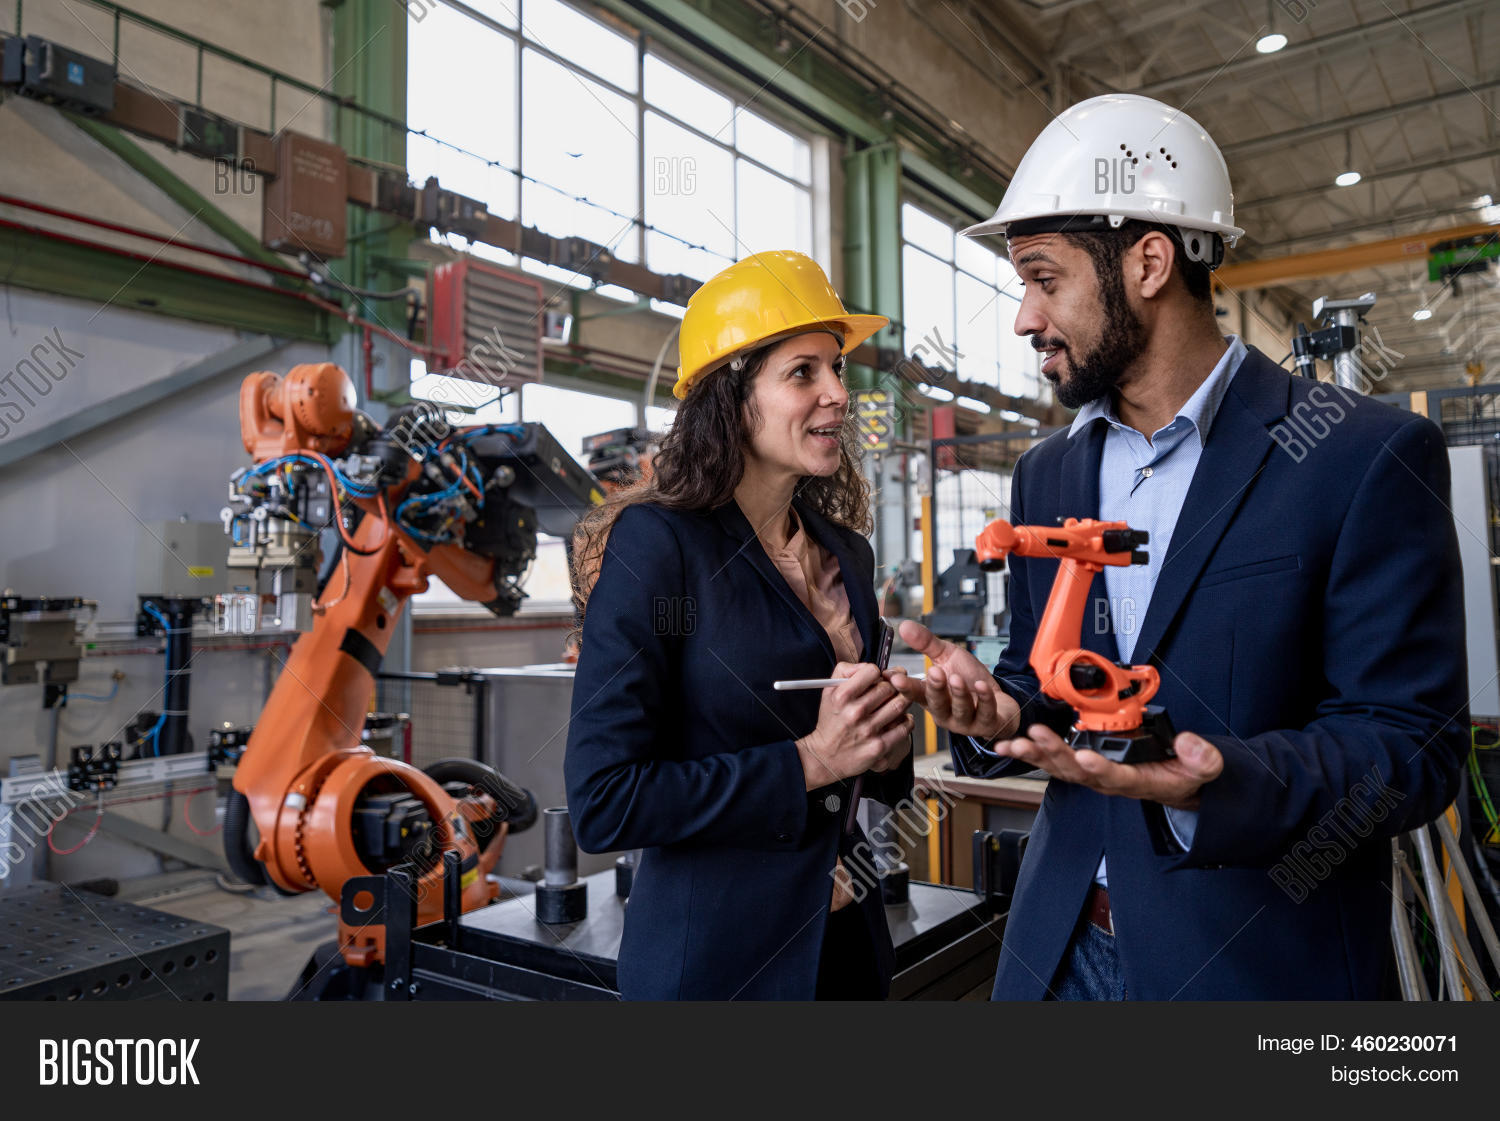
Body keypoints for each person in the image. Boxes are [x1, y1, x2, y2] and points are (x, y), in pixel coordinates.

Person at [890, 93, 1468, 999]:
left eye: (1045, 280)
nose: (1024, 319)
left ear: (1149, 261)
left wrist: (1214, 782)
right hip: (1061, 951)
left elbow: (1412, 743)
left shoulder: (1356, 454)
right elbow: (1049, 684)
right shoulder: (1048, 474)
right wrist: (997, 715)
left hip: (1256, 965)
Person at [565, 250, 915, 1000]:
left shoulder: (845, 551)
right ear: (731, 395)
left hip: (845, 950)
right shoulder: (659, 548)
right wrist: (811, 759)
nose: (837, 394)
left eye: (838, 368)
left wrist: (887, 731)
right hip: (720, 967)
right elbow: (605, 798)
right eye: (803, 372)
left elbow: (864, 764)